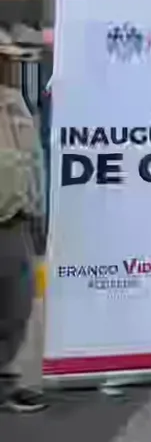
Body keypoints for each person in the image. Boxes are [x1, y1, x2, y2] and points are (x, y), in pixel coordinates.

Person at [0, 29, 47, 413]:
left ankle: (4, 384)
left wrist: (37, 213)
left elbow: (33, 160)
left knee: (16, 309)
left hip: (15, 221)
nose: (10, 64)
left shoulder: (15, 103)